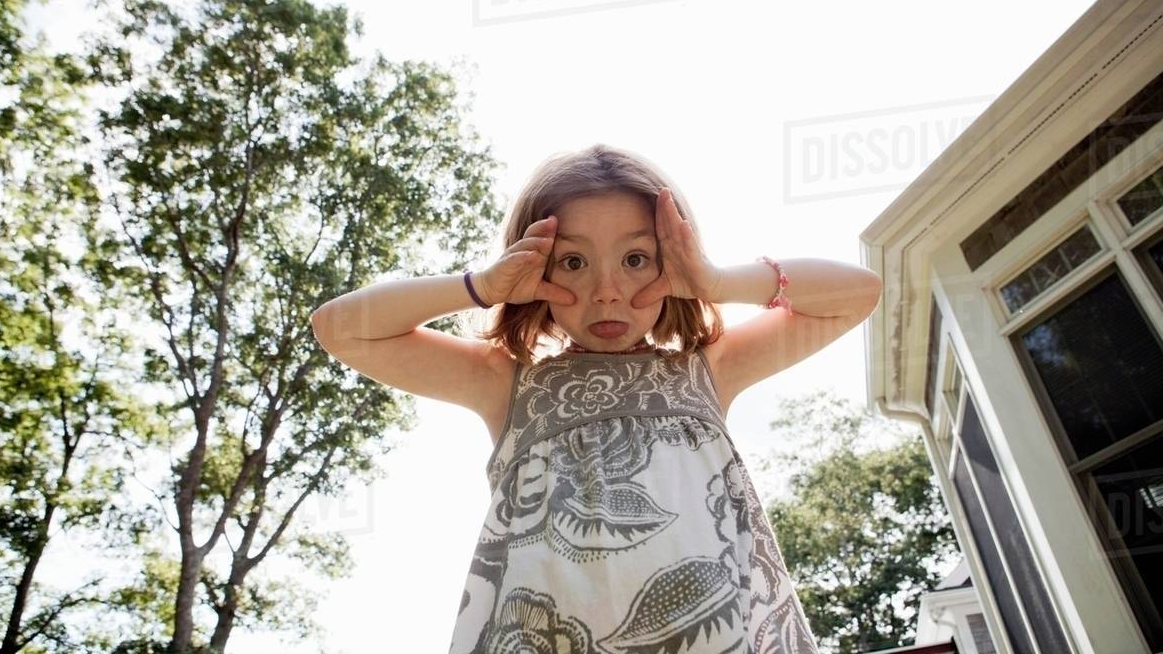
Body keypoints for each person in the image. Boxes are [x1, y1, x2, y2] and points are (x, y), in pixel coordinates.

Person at [310, 143, 882, 653]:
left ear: (672, 261)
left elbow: (858, 292)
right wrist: (483, 287)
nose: (606, 292)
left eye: (636, 259)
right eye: (573, 262)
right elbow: (339, 328)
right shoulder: (505, 384)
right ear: (532, 267)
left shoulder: (710, 369)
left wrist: (716, 282)